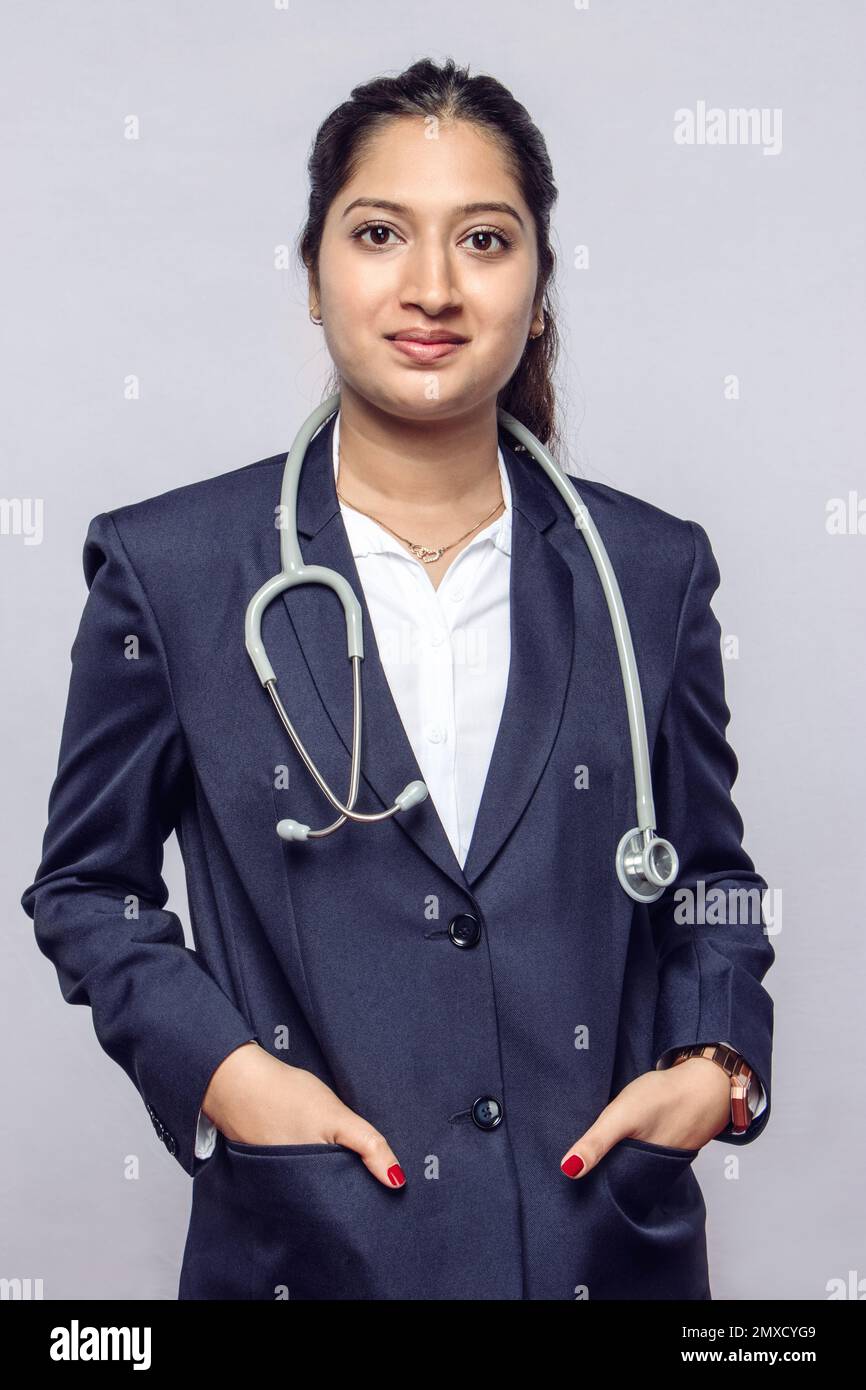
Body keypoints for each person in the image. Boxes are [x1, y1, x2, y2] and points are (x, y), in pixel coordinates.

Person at [21, 56, 774, 1301]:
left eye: (484, 239)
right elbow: (86, 888)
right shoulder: (173, 568)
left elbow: (712, 879)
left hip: (599, 1253)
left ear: (537, 292)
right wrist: (220, 1071)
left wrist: (717, 1058)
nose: (430, 287)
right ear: (313, 275)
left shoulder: (650, 571)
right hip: (314, 1256)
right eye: (378, 233)